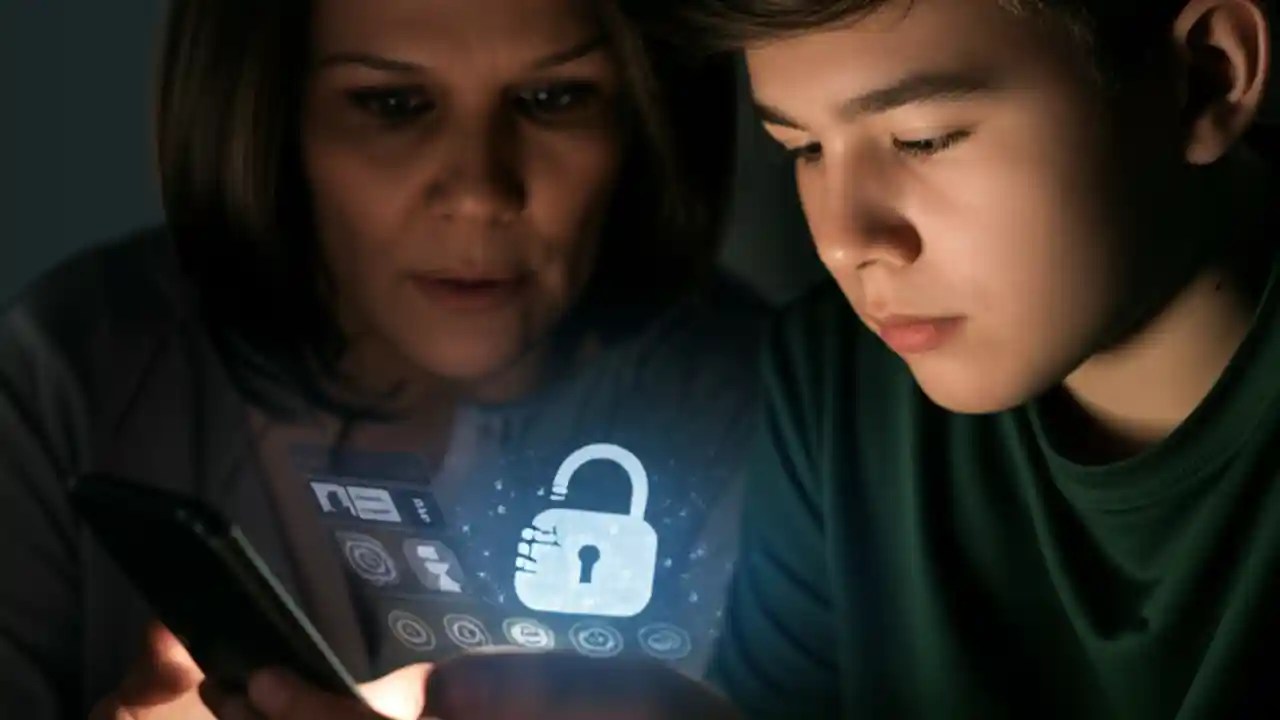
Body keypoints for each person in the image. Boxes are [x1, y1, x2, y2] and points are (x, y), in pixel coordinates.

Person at [0, 0, 767, 717]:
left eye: (555, 99)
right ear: (273, 112)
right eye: (394, 106)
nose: (478, 190)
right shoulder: (73, 370)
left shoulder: (765, 406)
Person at [668, 0, 1280, 717]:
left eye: (924, 140)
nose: (843, 240)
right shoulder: (838, 384)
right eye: (804, 148)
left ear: (1206, 78)